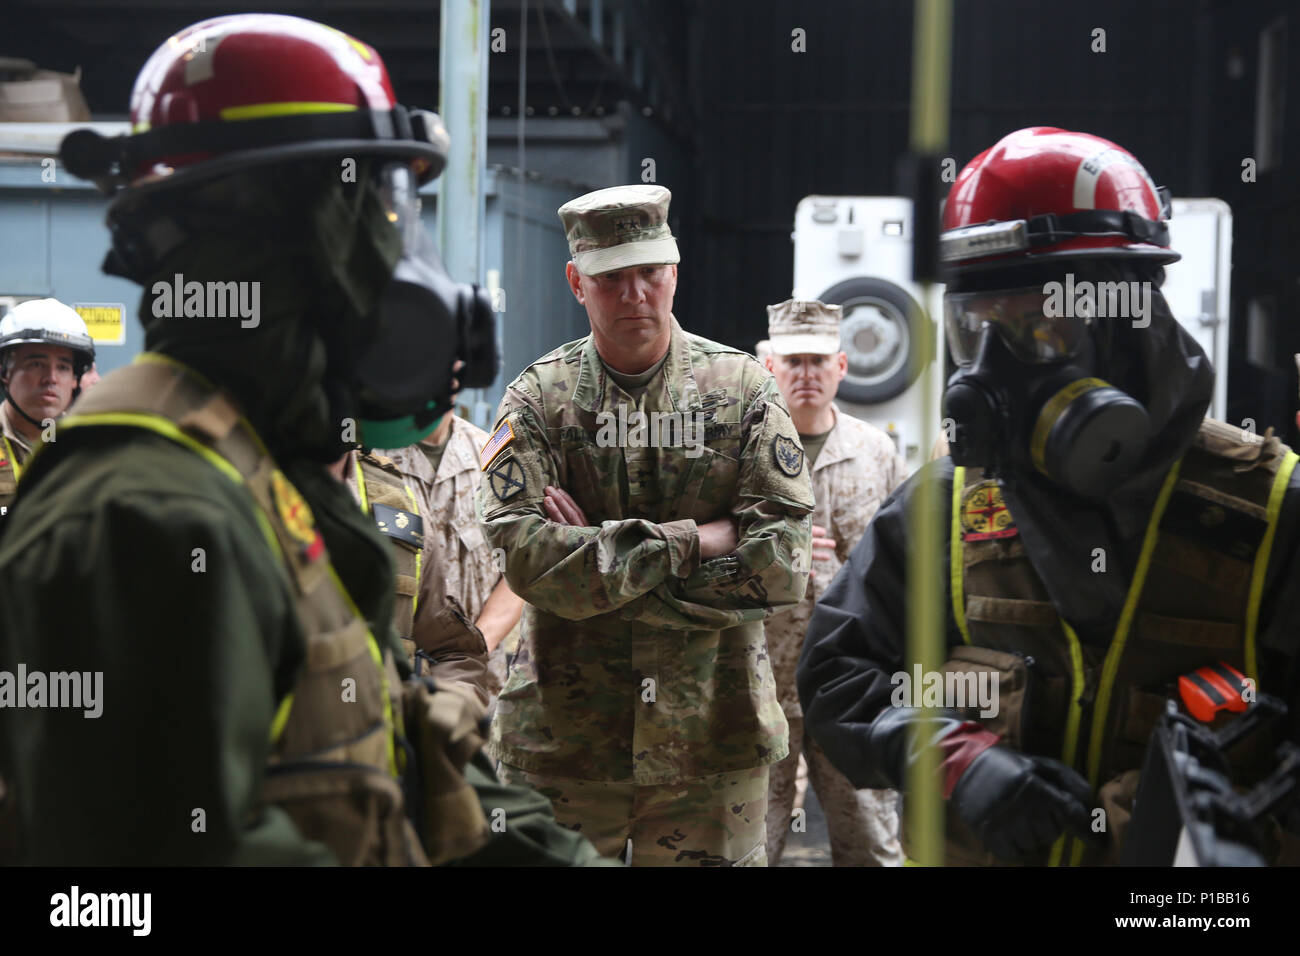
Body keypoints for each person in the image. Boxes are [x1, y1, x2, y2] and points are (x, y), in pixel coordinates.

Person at [0, 13, 613, 867]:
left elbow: (397, 764)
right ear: (271, 243)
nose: (400, 266)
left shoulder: (266, 474)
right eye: (373, 218)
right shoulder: (143, 514)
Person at [798, 126, 1300, 866]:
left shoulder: (1267, 512)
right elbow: (838, 677)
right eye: (979, 330)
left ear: (1132, 324)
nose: (993, 374)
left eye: (1037, 326)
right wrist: (954, 759)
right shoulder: (945, 505)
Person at [478, 184, 814, 866]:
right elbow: (528, 562)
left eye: (648, 272)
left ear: (675, 272)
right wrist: (700, 537)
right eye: (611, 278)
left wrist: (597, 555)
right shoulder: (539, 401)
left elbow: (782, 564)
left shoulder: (743, 391)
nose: (634, 293)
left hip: (713, 741)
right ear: (577, 282)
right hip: (566, 746)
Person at [760, 298, 906, 866]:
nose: (806, 375)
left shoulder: (875, 452)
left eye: (819, 362)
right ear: (769, 365)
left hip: (853, 677)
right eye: (792, 361)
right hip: (760, 680)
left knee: (868, 836)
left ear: (842, 366)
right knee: (748, 840)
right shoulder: (744, 452)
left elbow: (899, 562)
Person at [373, 410, 525, 708]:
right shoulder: (368, 458)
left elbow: (520, 566)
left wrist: (471, 651)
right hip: (387, 684)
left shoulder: (493, 456)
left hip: (476, 692)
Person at [0, 298, 95, 518]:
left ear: (75, 379)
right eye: (36, 364)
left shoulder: (91, 450)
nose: (50, 378)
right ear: (5, 372)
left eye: (63, 367)